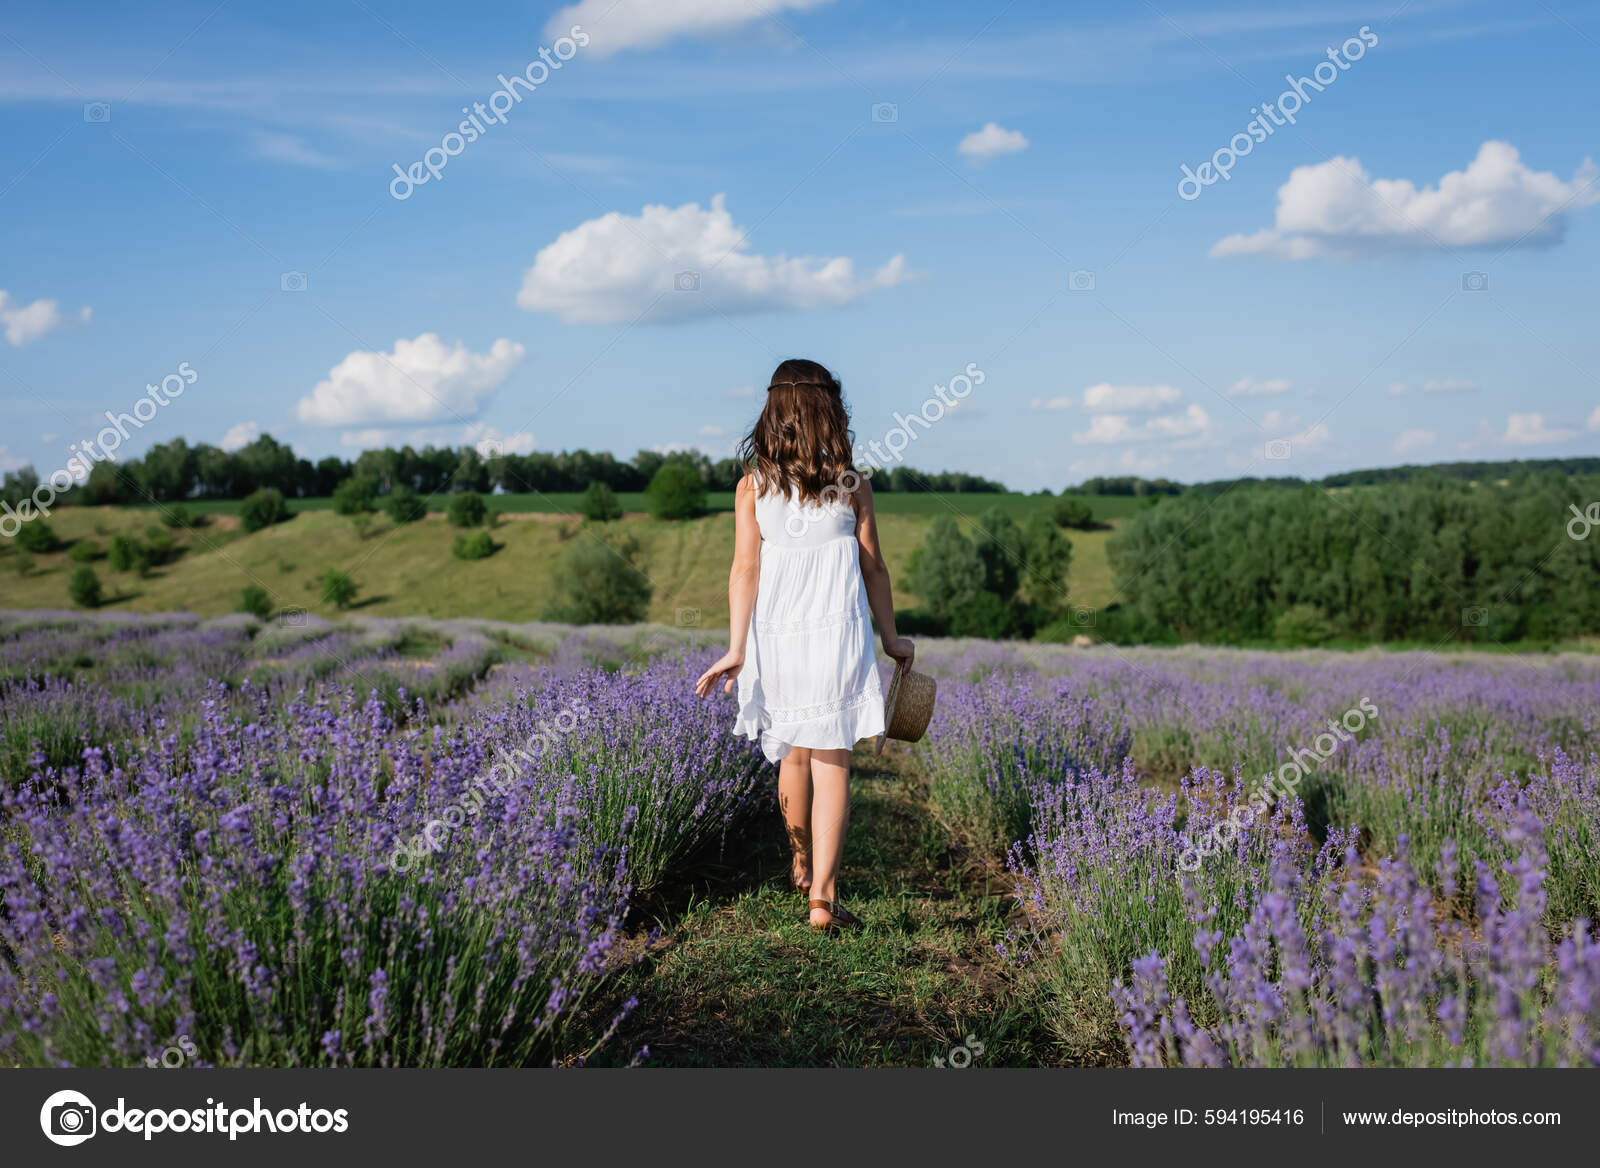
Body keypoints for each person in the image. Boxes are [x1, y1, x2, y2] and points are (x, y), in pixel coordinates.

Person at [694, 358, 914, 931]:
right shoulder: (853, 485)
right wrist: (891, 639)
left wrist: (736, 647)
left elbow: (744, 571)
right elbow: (875, 570)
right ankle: (823, 898)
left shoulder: (753, 487)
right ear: (829, 411)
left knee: (792, 751)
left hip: (777, 636)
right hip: (838, 635)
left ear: (774, 413)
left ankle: (799, 863)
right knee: (832, 761)